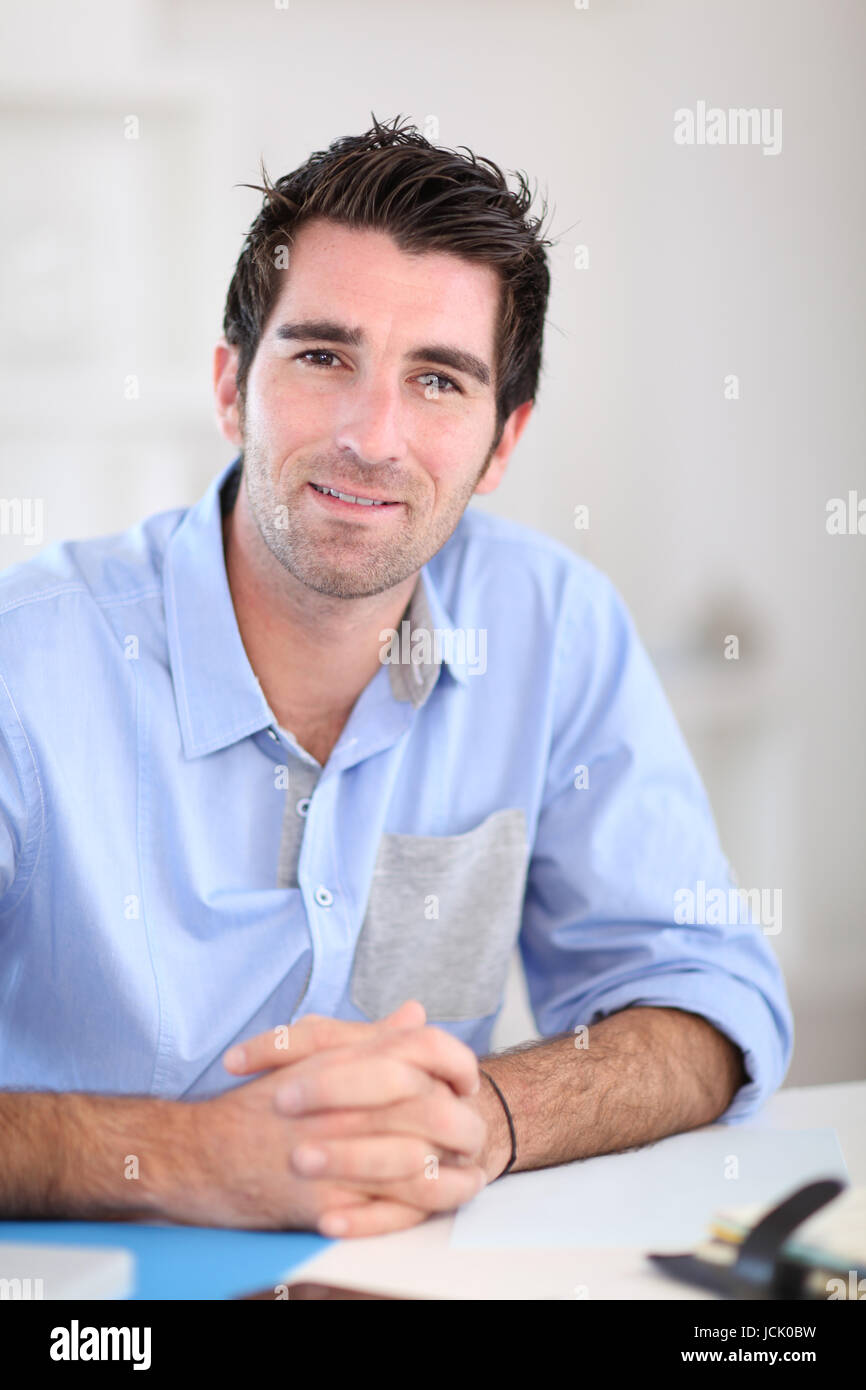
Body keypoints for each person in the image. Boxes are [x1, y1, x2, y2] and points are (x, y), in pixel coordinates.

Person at [0, 115, 792, 1238]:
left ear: (501, 444)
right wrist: (188, 1157)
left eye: (438, 381)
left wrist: (488, 1117)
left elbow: (710, 1002)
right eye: (324, 356)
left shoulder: (552, 625)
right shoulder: (26, 661)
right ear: (231, 389)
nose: (373, 437)